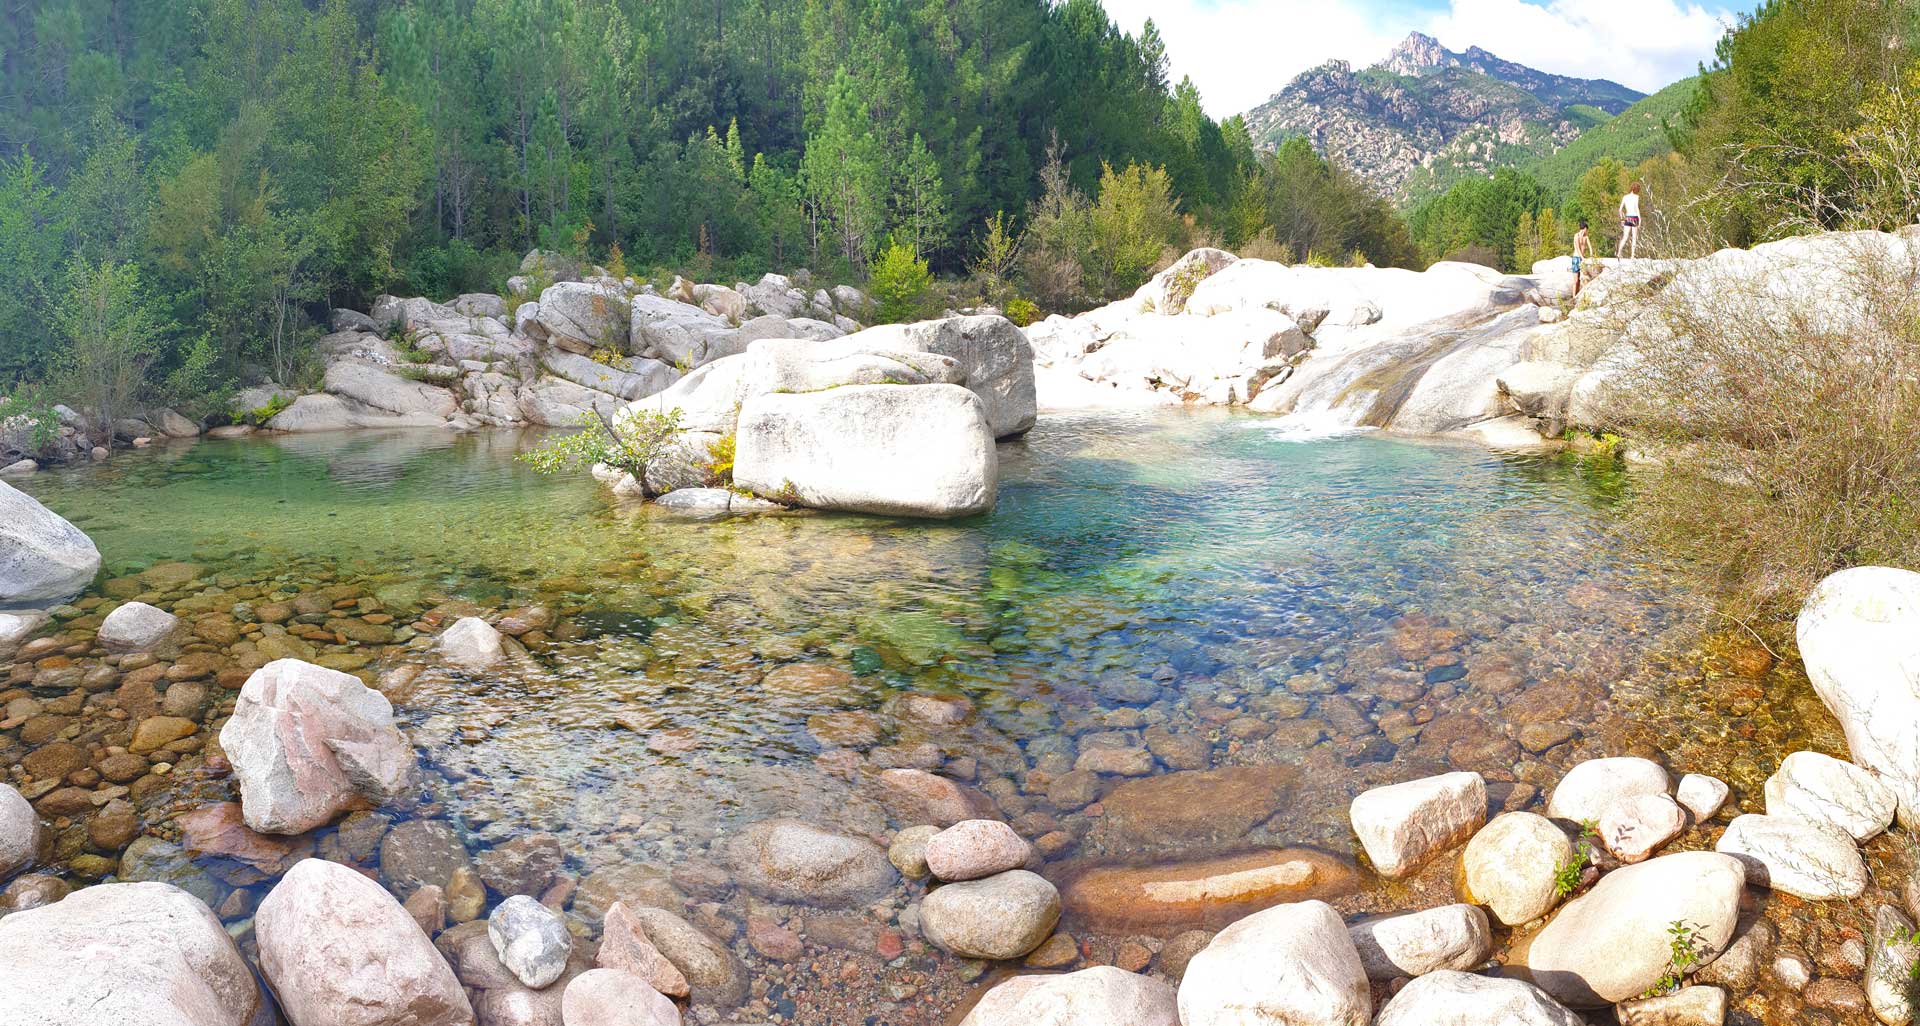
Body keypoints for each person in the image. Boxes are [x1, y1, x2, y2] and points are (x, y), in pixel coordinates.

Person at [1617, 182, 1643, 259]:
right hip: (1634, 217)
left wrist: (1622, 218)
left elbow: (1620, 210)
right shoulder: (1636, 197)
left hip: (1627, 217)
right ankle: (1632, 255)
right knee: (1634, 237)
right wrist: (1640, 219)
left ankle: (1619, 253)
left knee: (1625, 237)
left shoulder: (1625, 197)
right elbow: (1636, 208)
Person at [1572, 219, 1592, 296]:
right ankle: (1574, 296)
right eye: (1586, 230)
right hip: (1576, 258)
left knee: (1583, 279)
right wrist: (1582, 258)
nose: (1587, 232)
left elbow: (1590, 247)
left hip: (1583, 258)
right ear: (1585, 229)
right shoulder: (1576, 236)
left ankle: (1580, 295)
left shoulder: (1586, 237)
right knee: (1576, 280)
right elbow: (1577, 248)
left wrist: (1591, 255)